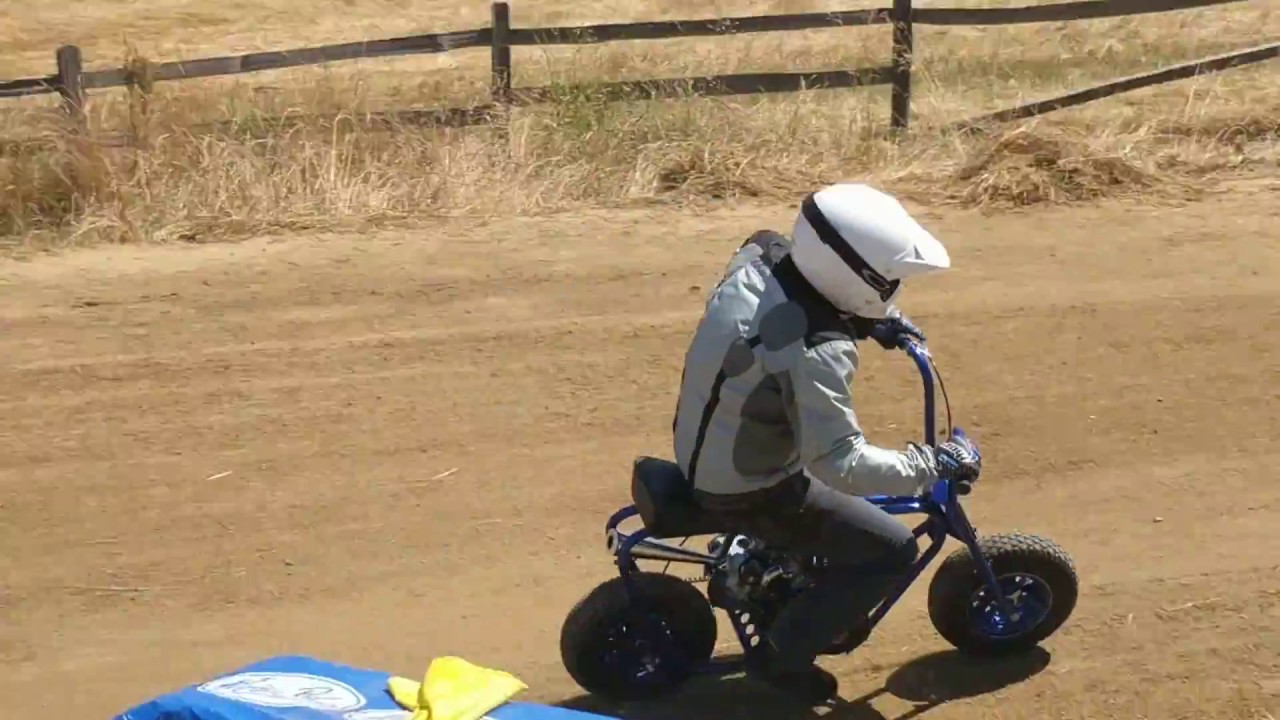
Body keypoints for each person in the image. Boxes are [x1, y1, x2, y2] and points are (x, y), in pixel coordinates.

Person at [670, 183, 982, 702]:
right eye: (888, 278)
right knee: (891, 549)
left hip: (706, 436)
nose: (895, 286)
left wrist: (864, 321)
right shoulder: (820, 350)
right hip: (748, 484)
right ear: (855, 276)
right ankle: (782, 656)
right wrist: (933, 463)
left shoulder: (760, 254)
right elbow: (842, 463)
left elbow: (787, 311)